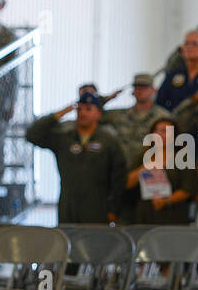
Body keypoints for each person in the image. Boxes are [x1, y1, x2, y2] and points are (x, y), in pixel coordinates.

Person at [26, 90, 125, 224]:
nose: (83, 113)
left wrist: (114, 210)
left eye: (88, 109)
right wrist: (60, 114)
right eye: (79, 109)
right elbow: (32, 135)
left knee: (95, 244)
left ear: (99, 114)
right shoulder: (64, 139)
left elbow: (118, 178)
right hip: (68, 207)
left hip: (97, 207)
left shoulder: (109, 142)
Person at [128, 117, 197, 225]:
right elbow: (127, 183)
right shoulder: (143, 157)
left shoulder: (183, 158)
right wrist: (143, 169)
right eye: (156, 130)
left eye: (164, 131)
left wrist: (166, 201)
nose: (158, 134)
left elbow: (188, 189)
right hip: (145, 216)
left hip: (173, 217)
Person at [156, 29, 198, 111]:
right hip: (175, 122)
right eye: (186, 43)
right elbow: (160, 104)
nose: (189, 47)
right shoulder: (174, 74)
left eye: (195, 44)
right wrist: (169, 124)